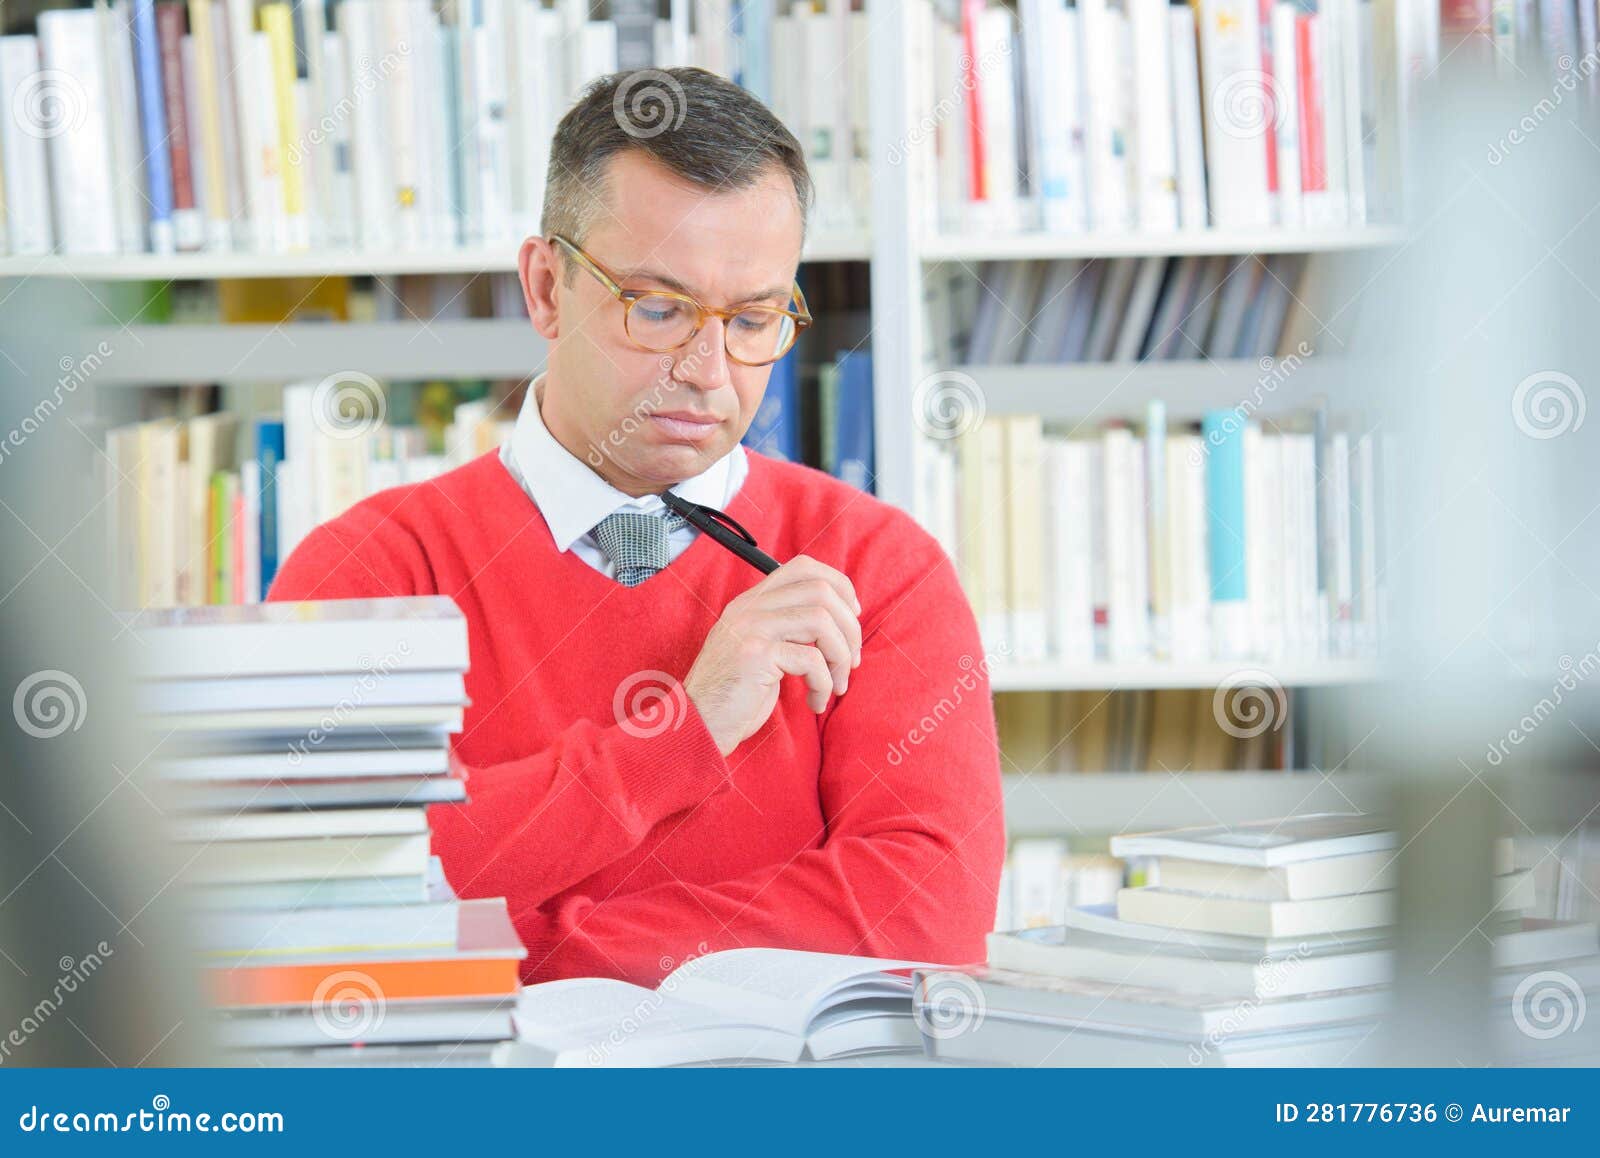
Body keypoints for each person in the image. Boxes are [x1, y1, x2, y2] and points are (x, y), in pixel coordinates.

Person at [268, 67, 1004, 985]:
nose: (707, 369)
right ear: (544, 288)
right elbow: (331, 894)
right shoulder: (371, 571)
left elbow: (927, 910)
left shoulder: (876, 567)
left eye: (754, 317)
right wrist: (680, 734)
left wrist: (556, 949)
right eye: (658, 308)